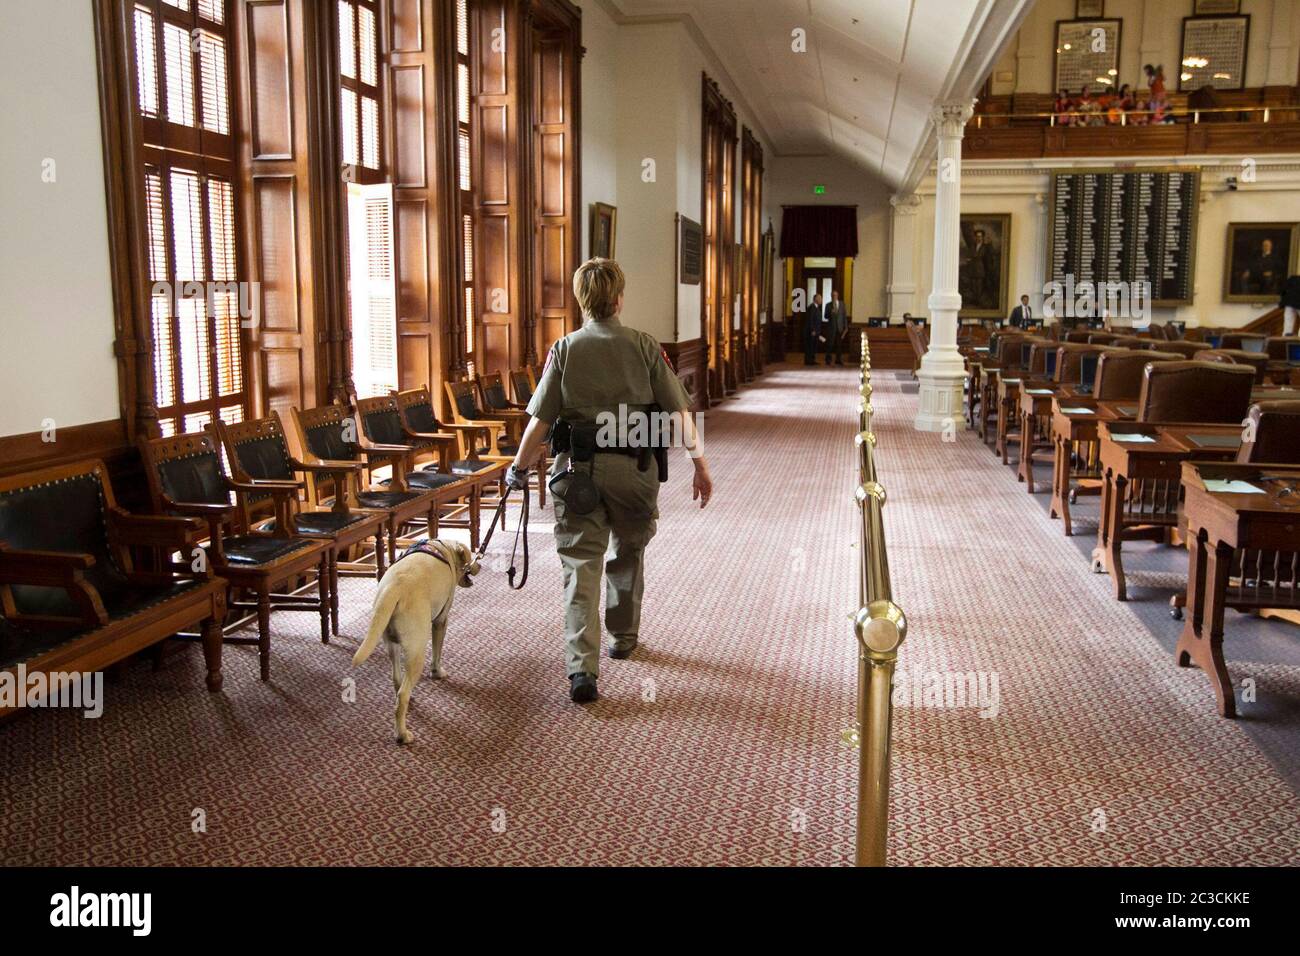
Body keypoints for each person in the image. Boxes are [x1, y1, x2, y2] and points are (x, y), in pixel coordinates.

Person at [506, 258, 714, 704]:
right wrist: (700, 464)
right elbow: (679, 412)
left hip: (578, 471)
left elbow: (539, 423)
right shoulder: (643, 346)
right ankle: (622, 636)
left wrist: (518, 470)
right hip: (635, 470)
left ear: (581, 301)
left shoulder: (564, 350)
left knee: (581, 565)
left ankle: (582, 669)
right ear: (619, 299)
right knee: (630, 548)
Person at [823, 290, 847, 365]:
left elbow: (844, 316)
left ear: (838, 296)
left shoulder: (842, 304)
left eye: (835, 295)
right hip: (831, 328)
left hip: (840, 328)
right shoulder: (828, 305)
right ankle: (828, 360)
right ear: (831, 296)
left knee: (839, 345)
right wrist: (831, 312)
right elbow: (825, 316)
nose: (834, 296)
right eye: (833, 295)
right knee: (830, 345)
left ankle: (838, 360)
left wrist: (845, 327)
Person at [805, 292, 825, 365]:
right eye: (820, 298)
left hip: (817, 331)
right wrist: (812, 330)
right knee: (810, 346)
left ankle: (812, 360)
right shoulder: (812, 307)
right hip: (812, 331)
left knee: (814, 346)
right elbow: (810, 320)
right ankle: (808, 361)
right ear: (816, 299)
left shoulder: (817, 307)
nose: (821, 300)